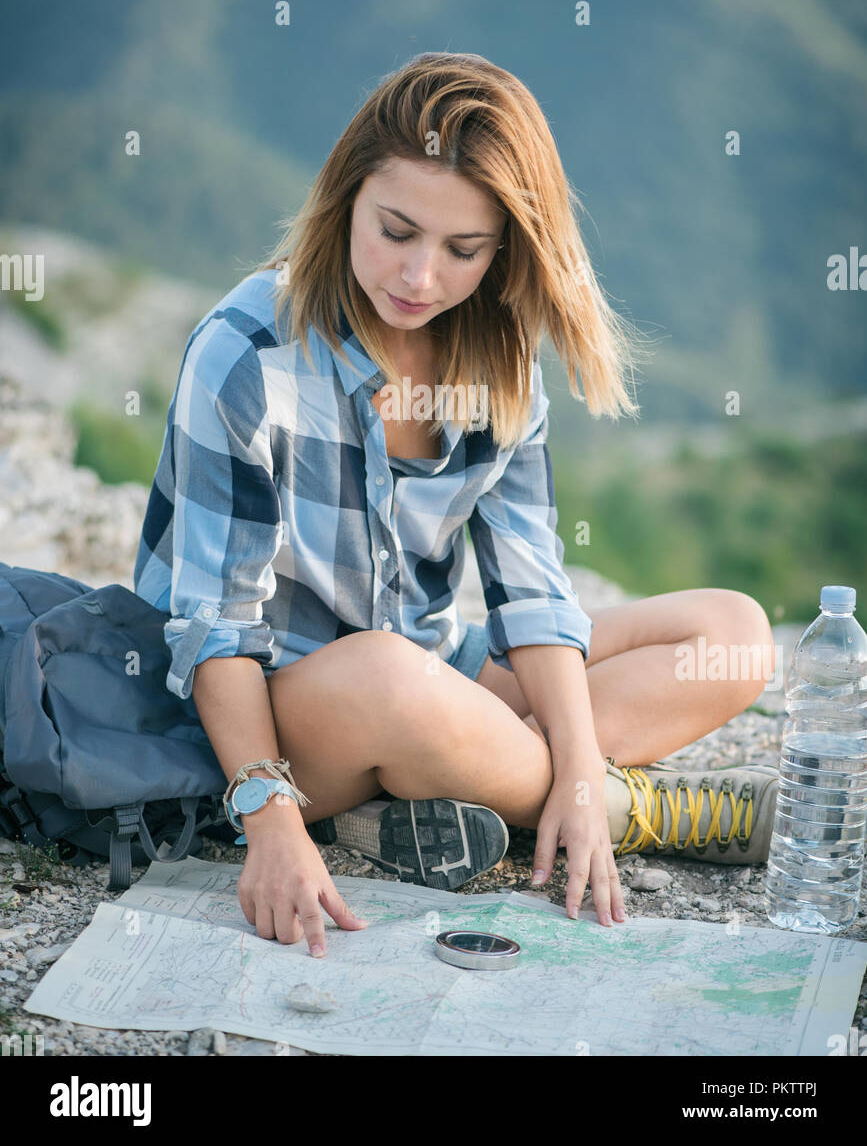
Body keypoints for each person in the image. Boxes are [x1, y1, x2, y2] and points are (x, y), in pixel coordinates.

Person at [133, 51, 779, 959]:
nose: (420, 277)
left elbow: (530, 593)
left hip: (431, 668)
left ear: (503, 247)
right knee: (388, 676)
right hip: (269, 715)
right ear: (346, 195)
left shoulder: (498, 363)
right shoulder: (245, 355)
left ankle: (451, 782)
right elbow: (214, 628)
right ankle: (634, 808)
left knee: (735, 632)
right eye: (395, 230)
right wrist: (268, 817)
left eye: (462, 250)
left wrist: (568, 766)